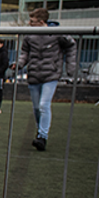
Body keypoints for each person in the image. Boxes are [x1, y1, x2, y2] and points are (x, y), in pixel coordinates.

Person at [16, 8, 77, 151]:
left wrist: (71, 68)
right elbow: (25, 52)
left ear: (41, 22)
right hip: (34, 75)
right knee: (37, 108)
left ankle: (43, 136)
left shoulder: (57, 34)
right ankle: (40, 132)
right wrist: (18, 64)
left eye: (32, 22)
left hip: (51, 75)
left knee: (44, 105)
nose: (30, 24)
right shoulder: (29, 36)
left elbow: (71, 46)